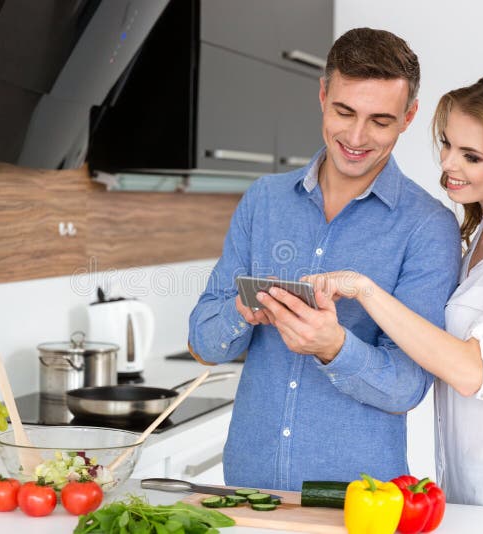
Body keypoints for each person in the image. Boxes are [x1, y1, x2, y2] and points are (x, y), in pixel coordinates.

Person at [283, 76, 483, 512]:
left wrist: (365, 290)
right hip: (466, 492)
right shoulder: (474, 241)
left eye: (471, 156)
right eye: (447, 144)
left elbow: (472, 371)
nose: (448, 164)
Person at [187, 27, 462, 491]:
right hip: (249, 491)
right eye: (344, 111)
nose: (356, 136)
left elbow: (407, 387)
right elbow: (203, 344)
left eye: (380, 120)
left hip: (357, 501)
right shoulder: (264, 201)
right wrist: (241, 314)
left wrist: (334, 347)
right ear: (322, 94)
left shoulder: (428, 227)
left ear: (409, 116)